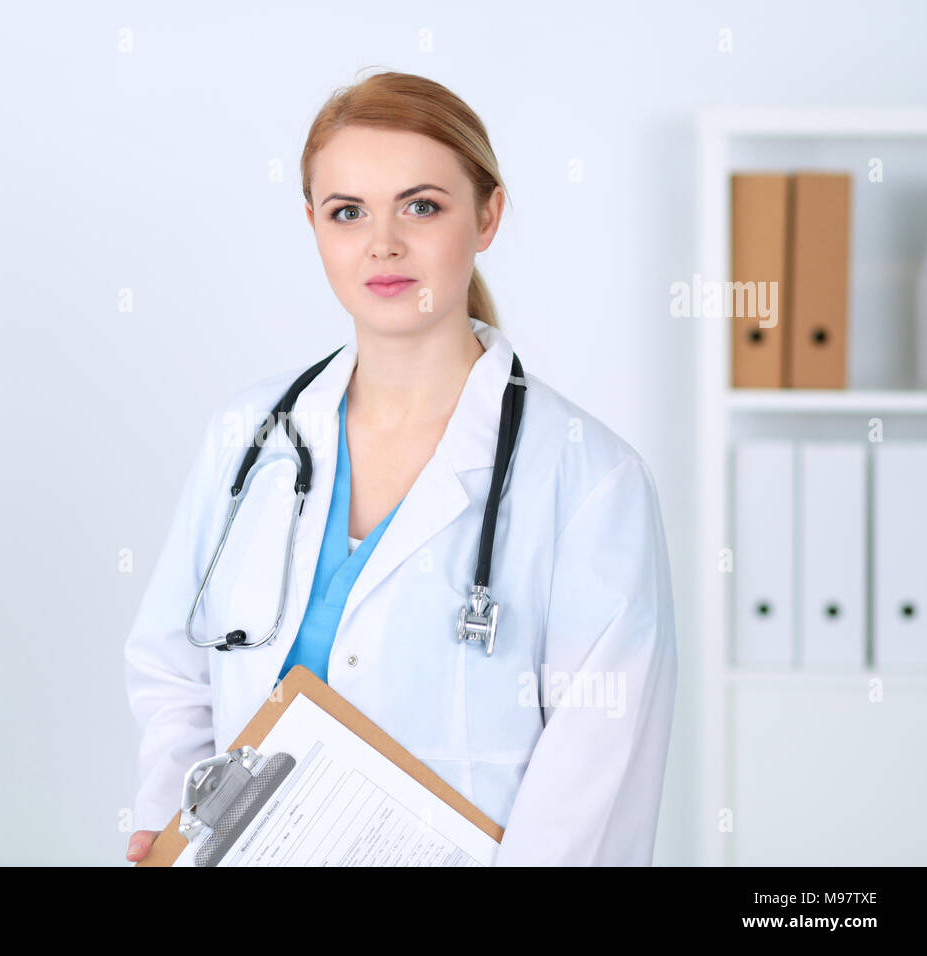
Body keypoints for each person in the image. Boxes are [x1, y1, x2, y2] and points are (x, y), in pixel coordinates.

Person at [123, 70, 677, 865]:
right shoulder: (248, 438)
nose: (383, 244)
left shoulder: (589, 479)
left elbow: (597, 780)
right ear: (313, 223)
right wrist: (168, 825)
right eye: (349, 212)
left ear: (487, 216)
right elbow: (176, 675)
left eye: (421, 206)